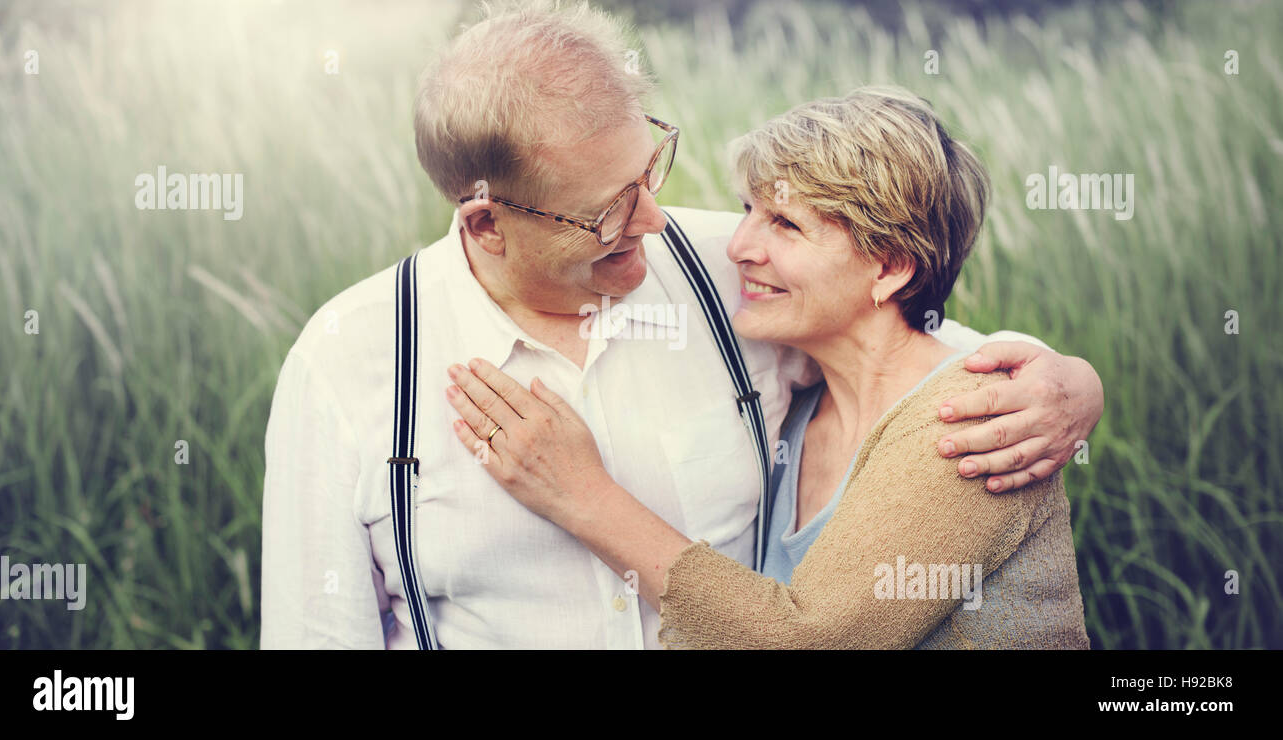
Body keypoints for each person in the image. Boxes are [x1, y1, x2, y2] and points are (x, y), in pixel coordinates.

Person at [260, 1, 1103, 649]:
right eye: (606, 211)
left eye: (648, 171)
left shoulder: (726, 275)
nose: (658, 221)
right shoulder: (351, 363)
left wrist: (1057, 379)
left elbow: (909, 346)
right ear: (487, 225)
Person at [444, 87, 1091, 648]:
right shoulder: (801, 401)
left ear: (891, 267)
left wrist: (583, 497)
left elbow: (807, 642)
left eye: (785, 225)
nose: (740, 246)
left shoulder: (974, 424)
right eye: (750, 210)